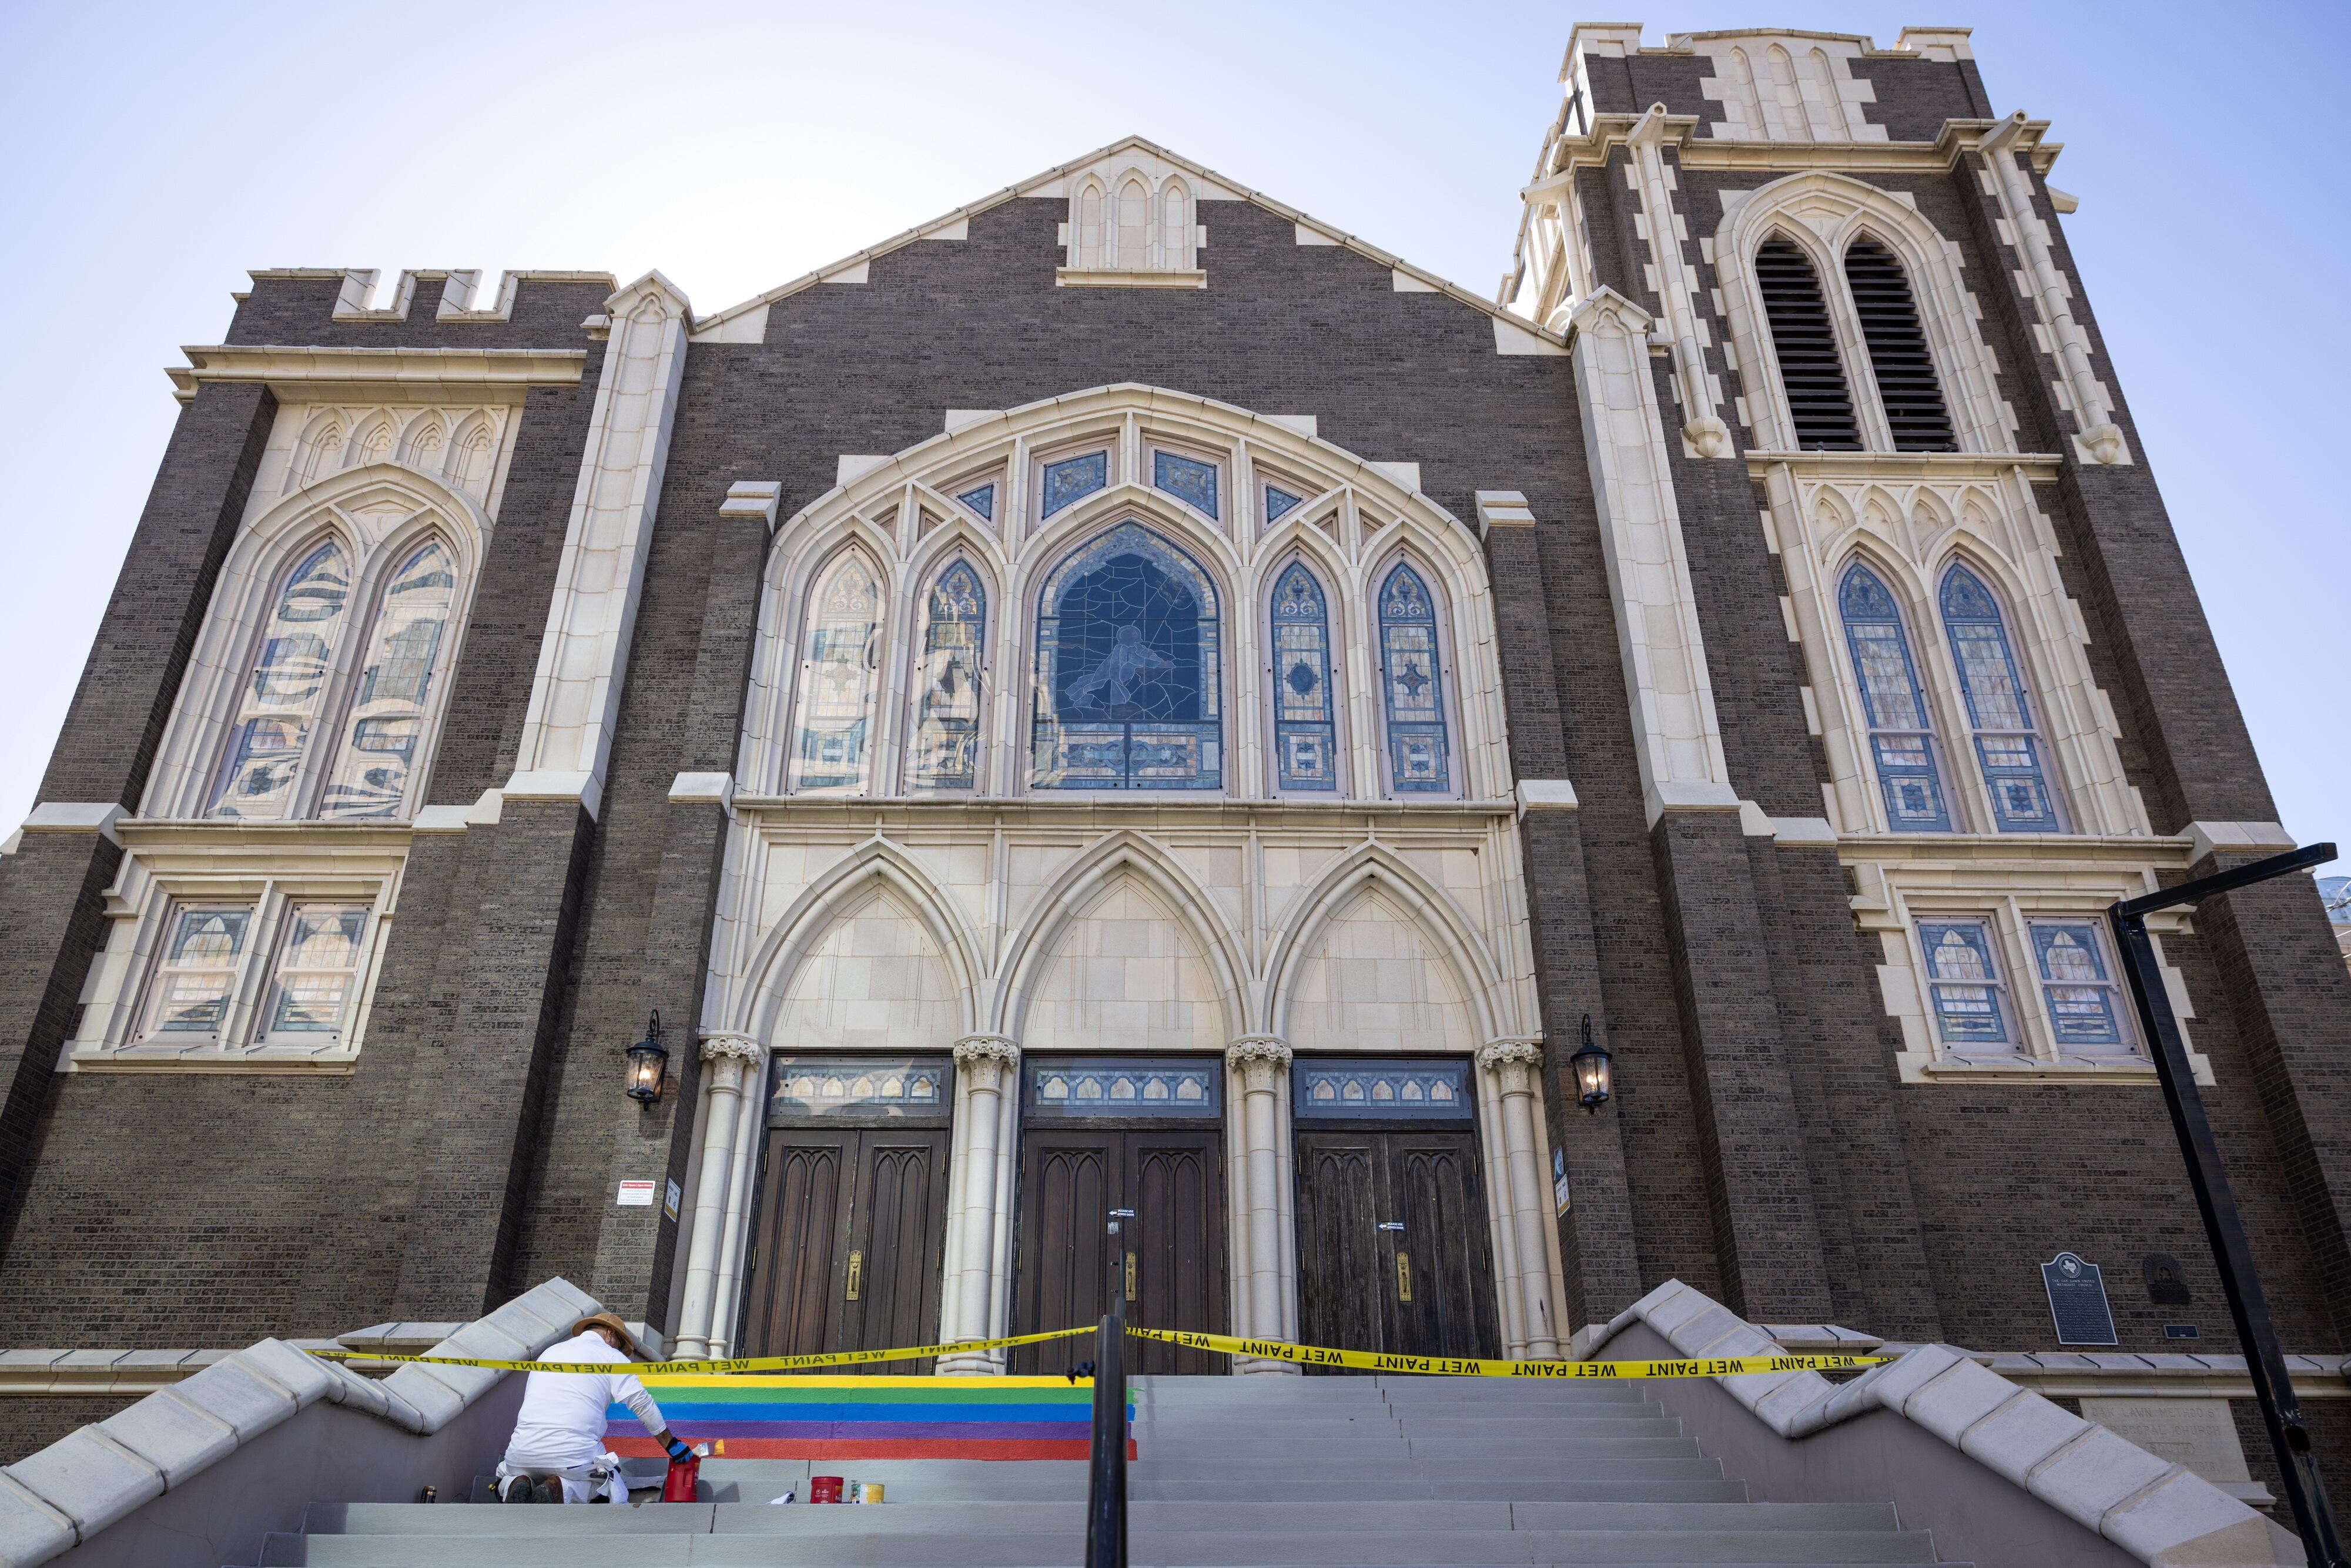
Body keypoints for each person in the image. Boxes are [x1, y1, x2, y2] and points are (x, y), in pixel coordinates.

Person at [495, 1312, 693, 1503]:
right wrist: (671, 1444)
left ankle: (513, 1483)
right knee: (607, 1485)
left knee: (505, 1475)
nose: (619, 1351)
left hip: (519, 1454)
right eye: (619, 1346)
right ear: (610, 1334)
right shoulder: (611, 1356)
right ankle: (561, 1488)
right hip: (572, 1457)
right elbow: (641, 1403)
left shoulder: (549, 1353)